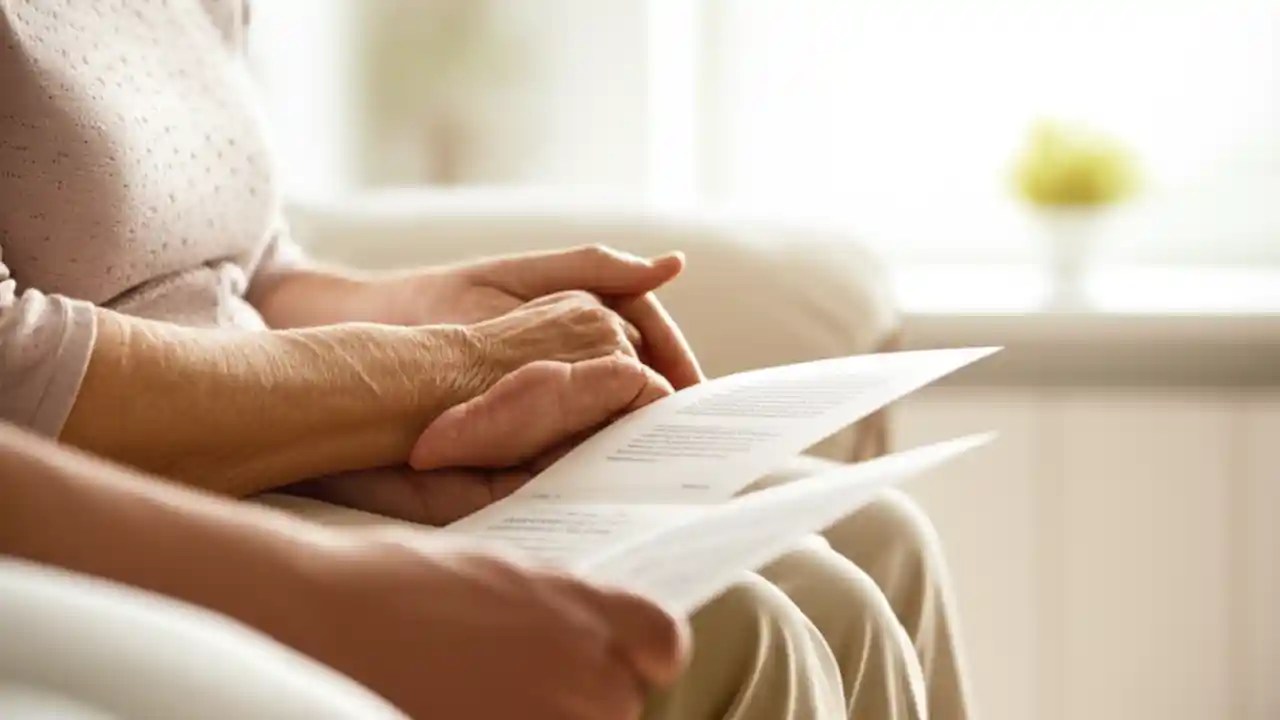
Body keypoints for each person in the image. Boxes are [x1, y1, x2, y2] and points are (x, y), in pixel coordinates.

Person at [0, 1, 971, 718]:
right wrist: (454, 364)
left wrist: (440, 308)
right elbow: (18, 370)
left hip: (284, 438)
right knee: (730, 630)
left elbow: (239, 269)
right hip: (132, 478)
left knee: (876, 533)